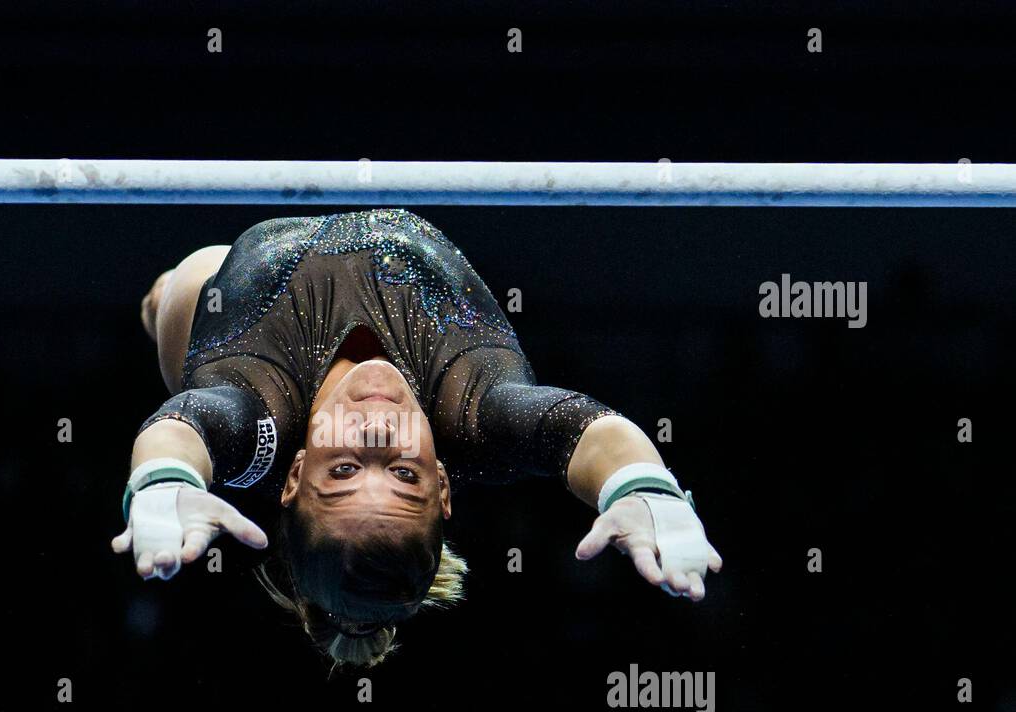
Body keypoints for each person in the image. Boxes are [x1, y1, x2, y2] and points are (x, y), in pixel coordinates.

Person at [111, 209, 721, 667]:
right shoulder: (477, 415)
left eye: (344, 470)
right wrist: (641, 486)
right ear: (445, 485)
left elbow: (184, 430)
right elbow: (586, 434)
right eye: (406, 474)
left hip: (216, 305)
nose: (379, 434)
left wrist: (166, 478)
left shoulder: (257, 418)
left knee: (182, 291)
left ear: (294, 475)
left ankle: (161, 302)